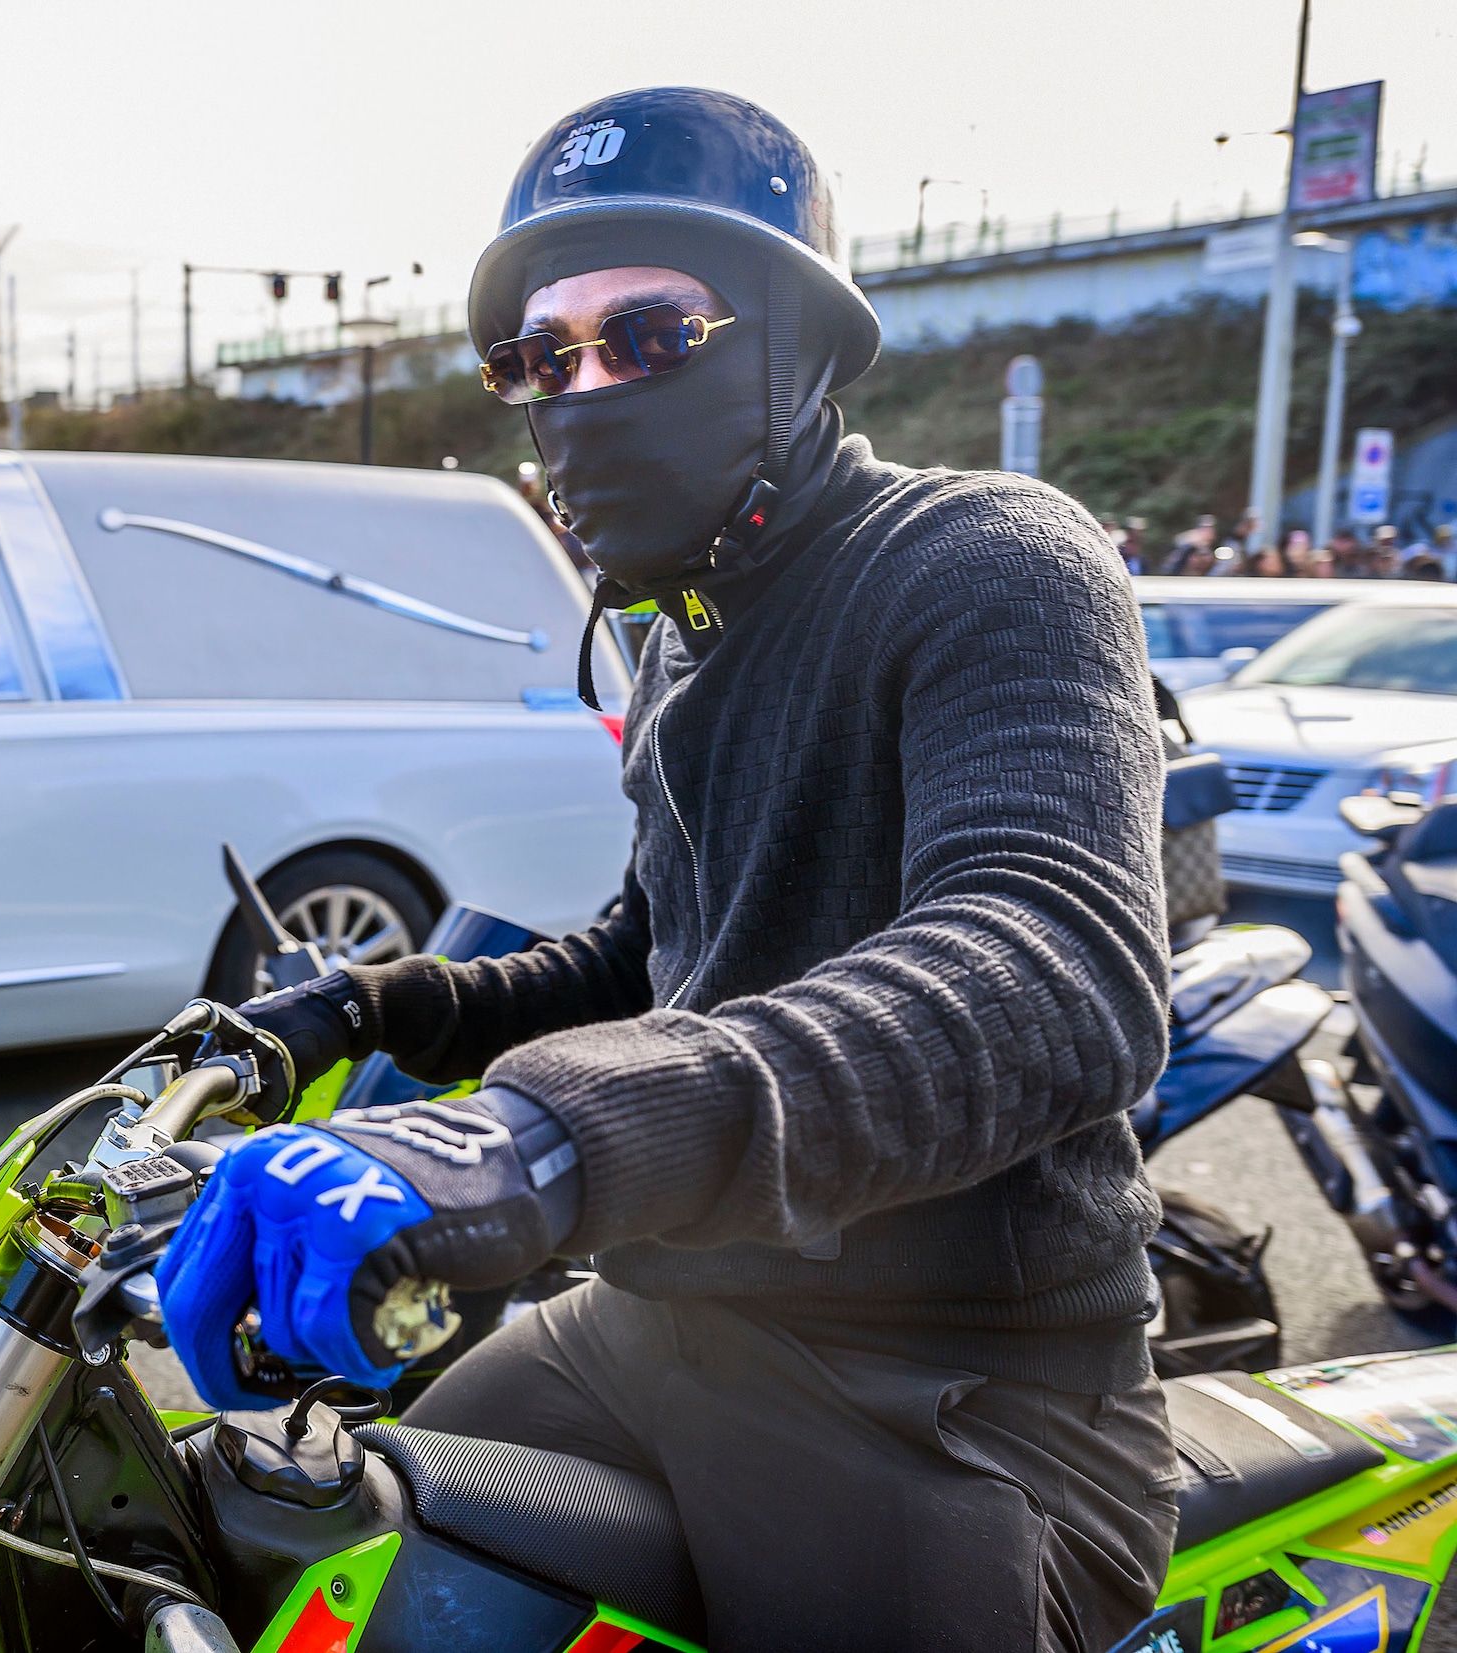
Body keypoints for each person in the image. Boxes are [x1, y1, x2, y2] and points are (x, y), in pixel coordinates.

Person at [159, 88, 1176, 1652]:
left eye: (645, 333)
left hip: (952, 1385)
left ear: (797, 338)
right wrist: (362, 1011)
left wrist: (533, 1150)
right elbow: (659, 954)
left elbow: (1053, 963)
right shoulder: (681, 634)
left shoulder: (985, 554)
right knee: (318, 1551)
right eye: (536, 356)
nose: (581, 388)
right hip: (659, 1318)